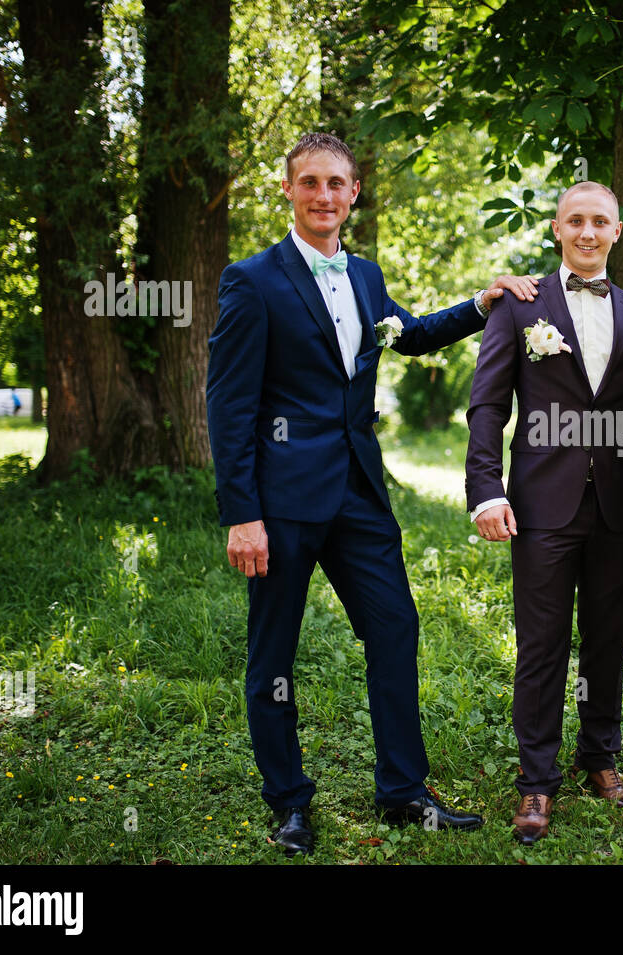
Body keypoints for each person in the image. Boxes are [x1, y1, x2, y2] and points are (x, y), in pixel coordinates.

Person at [206, 132, 538, 856]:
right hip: (282, 501)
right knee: (274, 657)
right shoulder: (251, 280)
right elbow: (228, 406)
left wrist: (481, 305)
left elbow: (407, 334)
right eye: (310, 182)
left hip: (359, 493)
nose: (324, 195)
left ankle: (402, 791)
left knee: (394, 630)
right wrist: (242, 514)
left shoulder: (364, 275)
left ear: (354, 194)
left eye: (337, 184)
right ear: (289, 191)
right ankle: (289, 802)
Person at [465, 181, 623, 844]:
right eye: (576, 220)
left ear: (618, 232)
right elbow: (488, 405)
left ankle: (601, 760)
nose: (588, 232)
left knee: (607, 638)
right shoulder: (519, 306)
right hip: (541, 503)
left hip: (618, 503)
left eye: (601, 222)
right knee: (542, 641)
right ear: (558, 228)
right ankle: (536, 779)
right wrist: (486, 488)